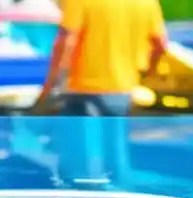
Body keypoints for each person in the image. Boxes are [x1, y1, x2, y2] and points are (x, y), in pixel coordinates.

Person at [36, 0, 167, 116]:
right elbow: (160, 45)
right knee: (114, 141)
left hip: (84, 90)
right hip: (123, 91)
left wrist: (51, 84)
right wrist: (149, 72)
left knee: (79, 142)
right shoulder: (148, 2)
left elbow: (67, 40)